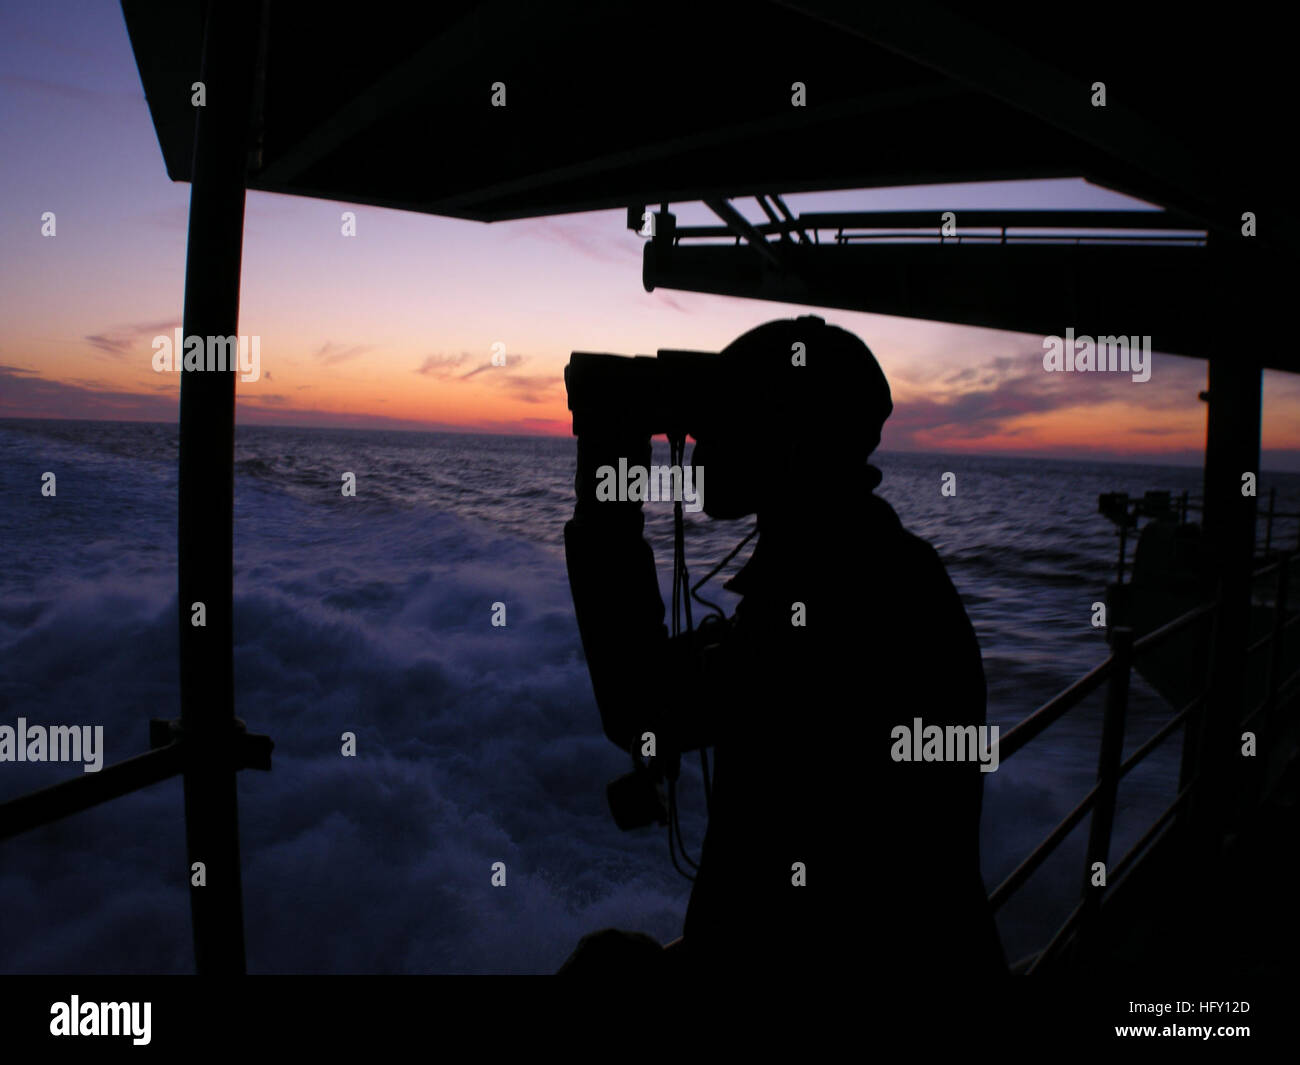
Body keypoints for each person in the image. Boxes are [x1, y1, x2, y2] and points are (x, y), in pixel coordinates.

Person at [561, 316, 1007, 978]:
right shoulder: (872, 564)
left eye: (731, 416)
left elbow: (639, 702)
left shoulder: (842, 593)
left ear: (792, 441)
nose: (705, 437)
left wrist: (610, 454)